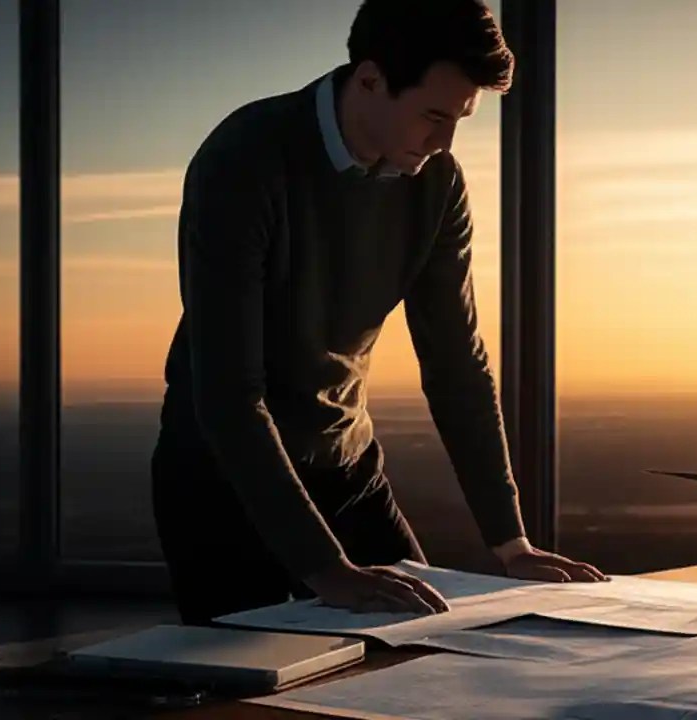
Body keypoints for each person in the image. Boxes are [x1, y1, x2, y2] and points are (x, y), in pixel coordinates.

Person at [150, 0, 606, 626]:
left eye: (460, 120)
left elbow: (456, 364)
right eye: (433, 116)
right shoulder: (244, 158)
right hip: (222, 476)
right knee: (251, 689)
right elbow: (230, 394)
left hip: (347, 466)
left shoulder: (436, 183)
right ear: (369, 80)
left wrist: (510, 543)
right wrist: (327, 570)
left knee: (426, 643)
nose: (445, 142)